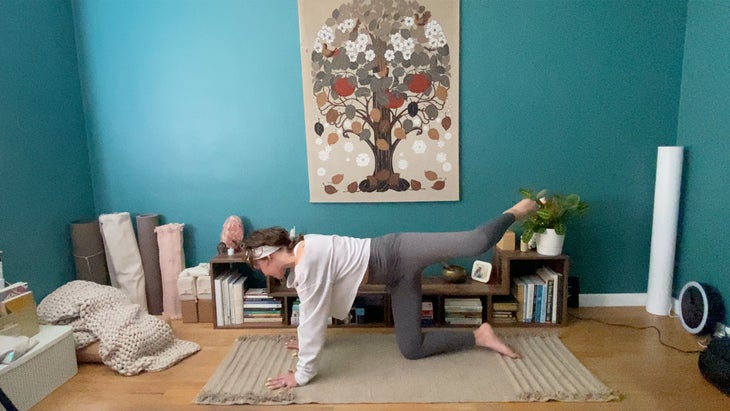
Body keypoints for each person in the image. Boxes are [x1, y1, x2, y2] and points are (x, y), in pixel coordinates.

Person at [242, 199, 538, 390]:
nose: (264, 274)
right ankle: (480, 335)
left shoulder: (307, 260)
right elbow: (311, 311)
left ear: (266, 259)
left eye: (259, 268)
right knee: (412, 348)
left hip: (399, 250)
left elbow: (312, 317)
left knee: (475, 242)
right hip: (396, 278)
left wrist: (301, 374)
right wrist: (306, 342)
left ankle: (517, 210)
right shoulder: (303, 258)